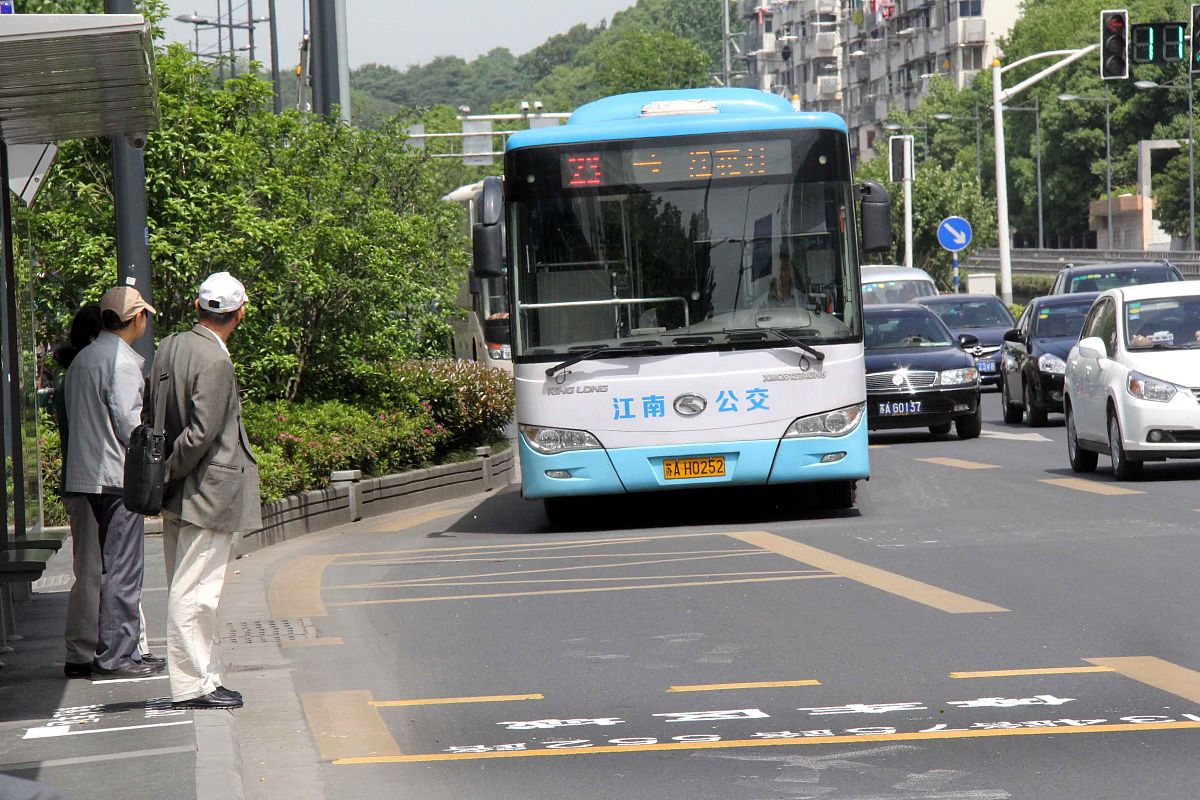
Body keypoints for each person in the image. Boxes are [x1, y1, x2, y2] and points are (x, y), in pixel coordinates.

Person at [149, 272, 261, 710]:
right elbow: (201, 434)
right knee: (196, 592)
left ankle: (204, 677)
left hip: (178, 491)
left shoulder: (171, 346)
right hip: (205, 490)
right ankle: (195, 684)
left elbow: (153, 411)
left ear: (198, 307)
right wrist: (173, 471)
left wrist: (163, 475)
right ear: (240, 313)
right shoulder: (216, 361)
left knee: (186, 583)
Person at [56, 305, 161, 679]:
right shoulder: (108, 366)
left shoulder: (73, 373)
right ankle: (107, 651)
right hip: (105, 479)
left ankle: (101, 649)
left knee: (95, 570)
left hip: (80, 480)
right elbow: (126, 425)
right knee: (110, 570)